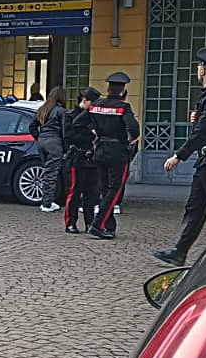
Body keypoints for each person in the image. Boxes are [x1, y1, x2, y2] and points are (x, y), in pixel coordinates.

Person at [154, 50, 206, 266]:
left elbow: (203, 133)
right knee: (195, 207)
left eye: (198, 68)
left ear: (202, 70)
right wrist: (199, 118)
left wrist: (178, 156)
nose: (197, 71)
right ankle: (179, 252)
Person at [87, 72, 140, 240]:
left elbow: (78, 123)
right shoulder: (123, 107)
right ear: (123, 90)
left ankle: (108, 227)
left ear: (108, 88)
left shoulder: (96, 106)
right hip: (117, 152)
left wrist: (94, 135)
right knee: (115, 190)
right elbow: (134, 129)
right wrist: (130, 141)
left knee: (104, 189)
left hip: (100, 150)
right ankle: (97, 223)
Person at [62, 88, 101, 232]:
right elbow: (69, 136)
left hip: (92, 159)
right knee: (74, 192)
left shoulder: (95, 116)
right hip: (77, 157)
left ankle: (90, 223)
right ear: (84, 101)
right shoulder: (70, 116)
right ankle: (70, 223)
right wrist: (90, 135)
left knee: (91, 193)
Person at [29, 86, 68, 213]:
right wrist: (66, 148)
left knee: (47, 172)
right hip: (54, 142)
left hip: (42, 142)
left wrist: (39, 137)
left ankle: (47, 200)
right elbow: (65, 131)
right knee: (51, 174)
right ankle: (47, 203)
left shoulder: (42, 109)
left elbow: (32, 126)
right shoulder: (60, 111)